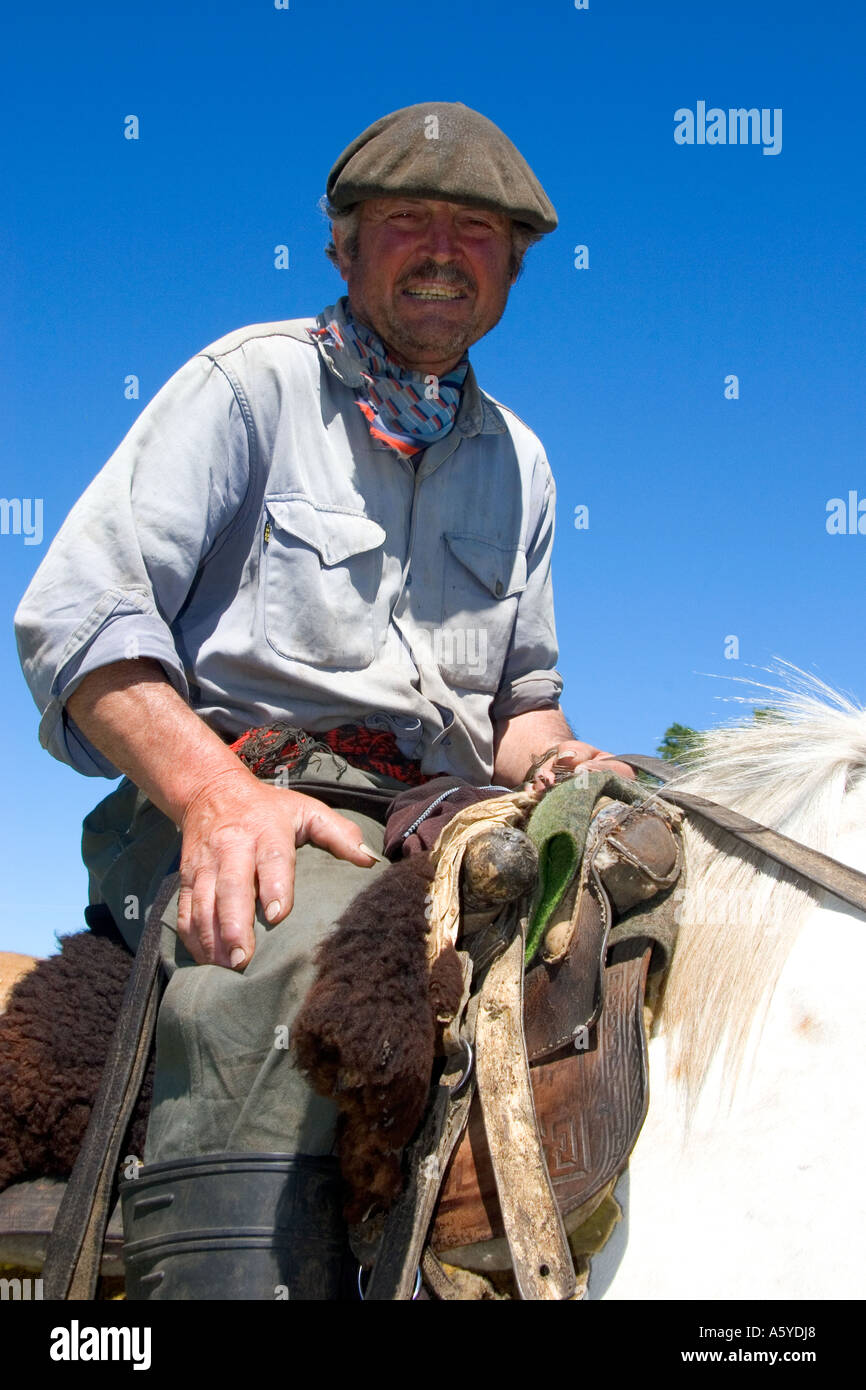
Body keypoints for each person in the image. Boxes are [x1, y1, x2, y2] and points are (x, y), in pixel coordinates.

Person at [14, 101, 633, 1299]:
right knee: (279, 967)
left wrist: (561, 763)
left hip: (443, 824)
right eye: (408, 221)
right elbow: (76, 614)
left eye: (477, 229)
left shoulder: (524, 462)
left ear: (512, 268)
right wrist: (214, 795)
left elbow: (520, 709)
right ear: (343, 248)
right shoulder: (246, 389)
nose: (444, 249)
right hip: (242, 797)